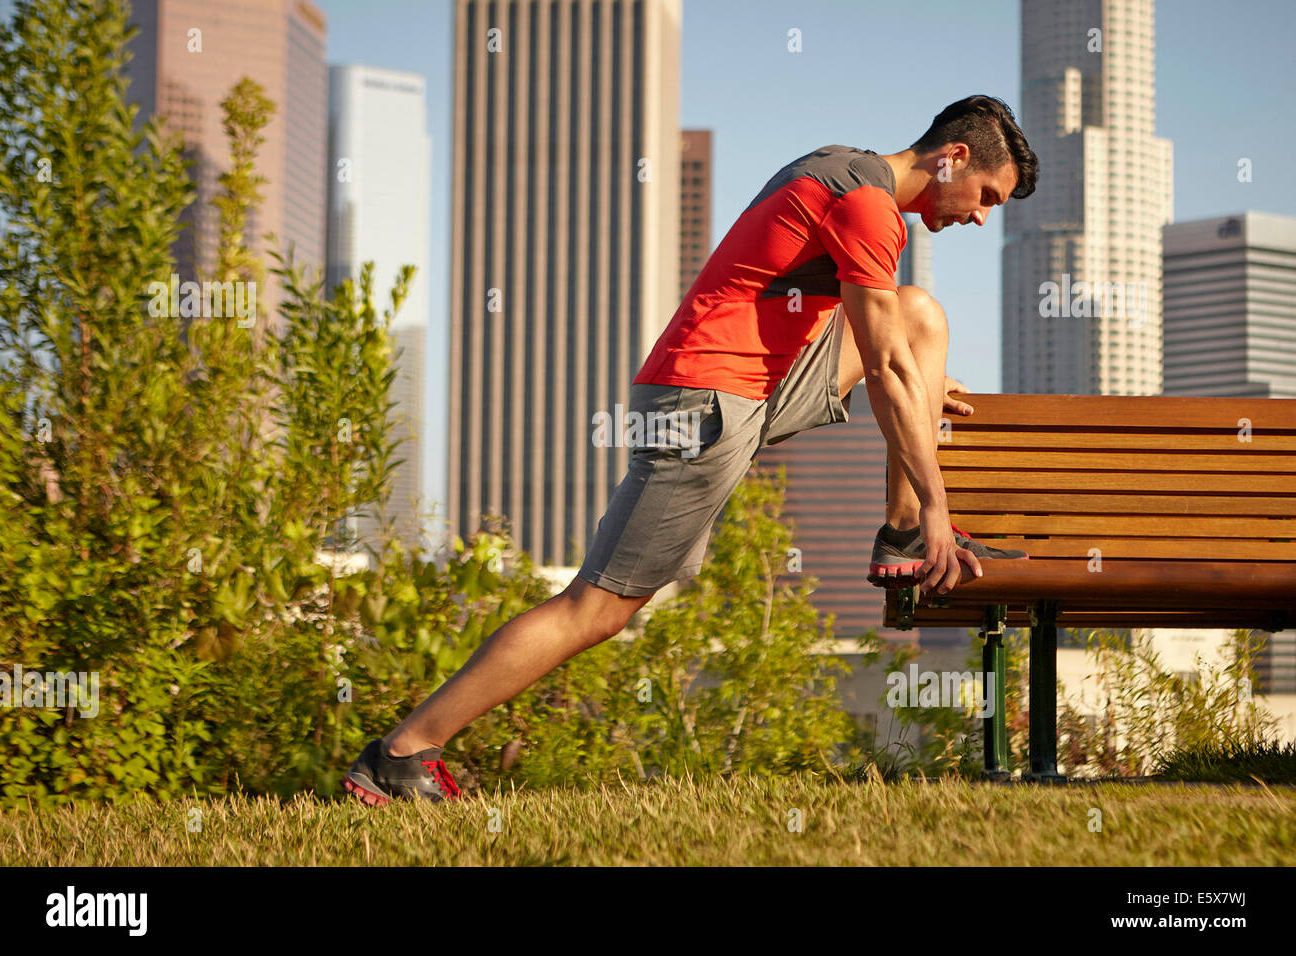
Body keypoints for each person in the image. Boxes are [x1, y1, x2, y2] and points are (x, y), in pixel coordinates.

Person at [342, 94, 1038, 805]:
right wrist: (936, 506)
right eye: (986, 196)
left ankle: (897, 541)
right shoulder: (868, 206)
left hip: (747, 387)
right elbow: (884, 365)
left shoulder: (844, 169)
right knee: (598, 608)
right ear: (952, 156)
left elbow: (881, 335)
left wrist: (922, 376)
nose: (981, 215)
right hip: (703, 402)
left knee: (919, 317)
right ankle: (403, 752)